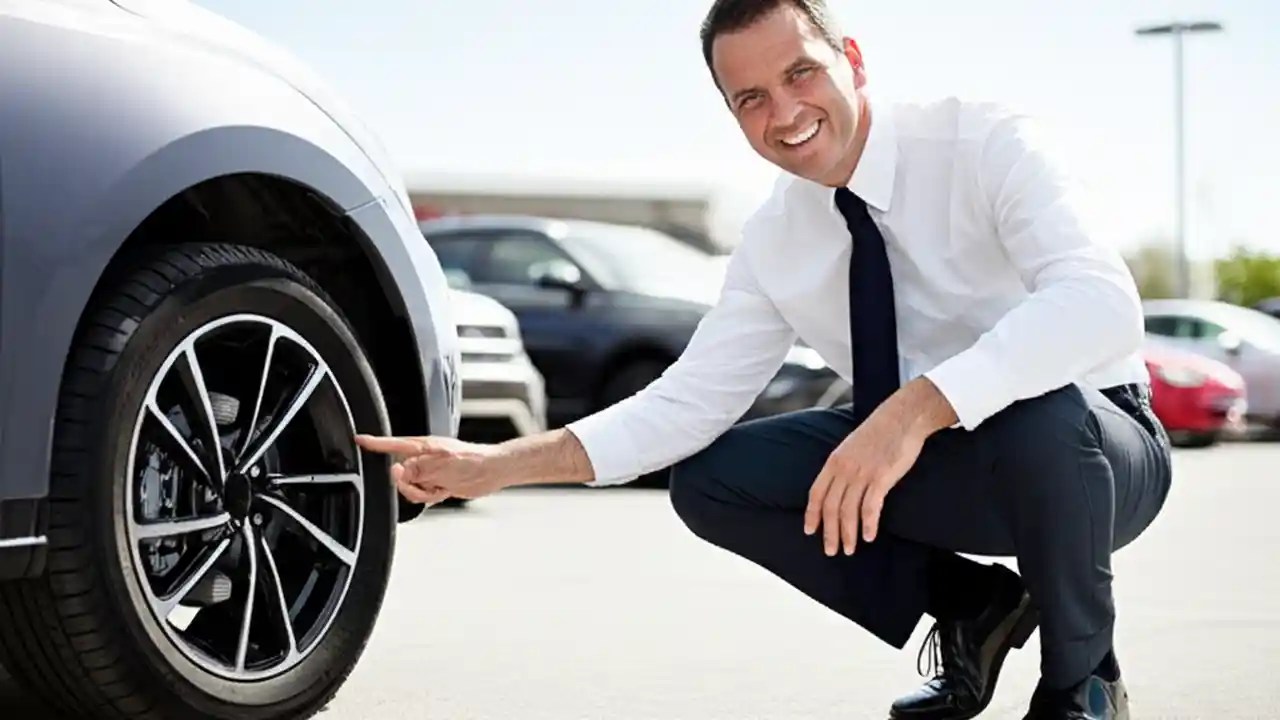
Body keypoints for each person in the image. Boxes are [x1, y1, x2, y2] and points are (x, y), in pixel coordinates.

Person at [357, 1, 1173, 717]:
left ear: (852, 61)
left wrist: (915, 407)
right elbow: (682, 406)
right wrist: (497, 465)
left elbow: (1098, 303)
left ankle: (1083, 684)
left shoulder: (982, 140)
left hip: (1094, 455)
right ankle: (973, 609)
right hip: (934, 465)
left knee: (1035, 405)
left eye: (801, 74)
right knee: (713, 476)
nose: (785, 113)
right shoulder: (775, 240)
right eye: (752, 99)